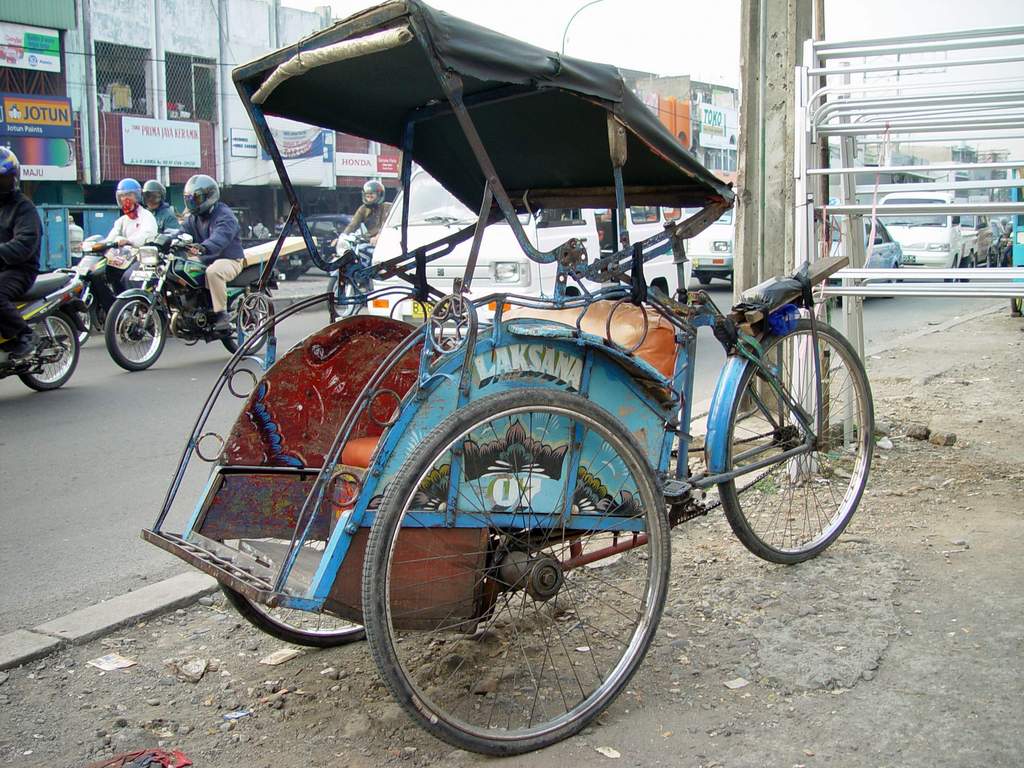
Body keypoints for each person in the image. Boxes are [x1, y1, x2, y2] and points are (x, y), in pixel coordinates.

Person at [180, 174, 244, 335]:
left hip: (230, 259)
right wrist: (166, 239)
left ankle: (222, 314)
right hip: (206, 258)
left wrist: (203, 247)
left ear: (209, 197)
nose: (193, 202)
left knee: (213, 272)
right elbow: (180, 232)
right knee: (180, 267)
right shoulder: (193, 218)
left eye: (197, 198)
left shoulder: (225, 215)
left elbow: (220, 237)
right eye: (190, 198)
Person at [0, 148, 42, 357]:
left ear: (13, 178)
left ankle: (24, 335)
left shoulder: (24, 207)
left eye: (3, 178)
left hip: (19, 269)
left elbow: (24, 245)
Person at [106, 178, 158, 247]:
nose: (125, 198)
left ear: (137, 196)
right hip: (122, 256)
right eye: (122, 195)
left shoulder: (146, 216)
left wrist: (129, 241)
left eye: (129, 195)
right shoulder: (121, 220)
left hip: (141, 255)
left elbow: (148, 234)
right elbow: (111, 238)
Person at [344, 179, 391, 243]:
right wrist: (342, 237)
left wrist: (379, 236)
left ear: (379, 195)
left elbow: (386, 224)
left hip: (386, 239)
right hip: (369, 240)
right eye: (367, 195)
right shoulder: (363, 208)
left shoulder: (387, 207)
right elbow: (352, 225)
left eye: (372, 194)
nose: (369, 196)